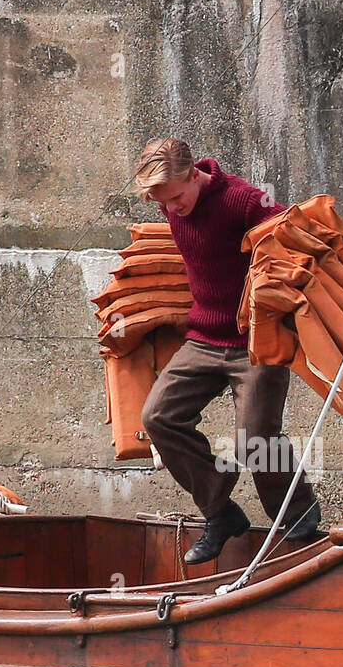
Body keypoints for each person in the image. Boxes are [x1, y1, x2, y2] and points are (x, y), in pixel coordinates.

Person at [135, 137, 321, 565]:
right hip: (203, 337)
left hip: (256, 340)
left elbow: (296, 238)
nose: (173, 209)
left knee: (254, 438)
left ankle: (297, 514)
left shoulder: (243, 201)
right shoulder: (171, 201)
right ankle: (221, 512)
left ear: (194, 175)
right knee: (158, 417)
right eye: (163, 203)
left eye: (177, 198)